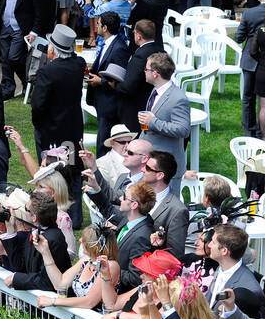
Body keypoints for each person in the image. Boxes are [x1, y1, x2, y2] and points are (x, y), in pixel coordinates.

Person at [29, 24, 86, 155]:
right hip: (73, 124)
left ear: (52, 50)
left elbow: (38, 104)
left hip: (51, 127)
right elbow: (74, 57)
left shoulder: (47, 71)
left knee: (51, 167)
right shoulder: (79, 64)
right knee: (71, 163)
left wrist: (38, 125)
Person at [137, 51, 189, 193]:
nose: (144, 72)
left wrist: (153, 122)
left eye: (146, 69)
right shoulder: (155, 91)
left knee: (167, 211)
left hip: (167, 167)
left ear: (155, 73)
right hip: (152, 164)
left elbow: (183, 129)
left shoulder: (178, 98)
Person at [84, 11, 130, 154]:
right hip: (101, 100)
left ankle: (102, 173)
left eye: (98, 23)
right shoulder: (107, 44)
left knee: (105, 143)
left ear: (105, 28)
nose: (96, 26)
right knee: (102, 138)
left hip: (110, 103)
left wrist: (100, 81)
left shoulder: (119, 48)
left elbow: (118, 79)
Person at [236, 0, 265, 137]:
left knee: (248, 97)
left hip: (250, 59)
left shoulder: (250, 13)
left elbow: (238, 37)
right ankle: (263, 131)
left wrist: (248, 36)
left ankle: (249, 130)